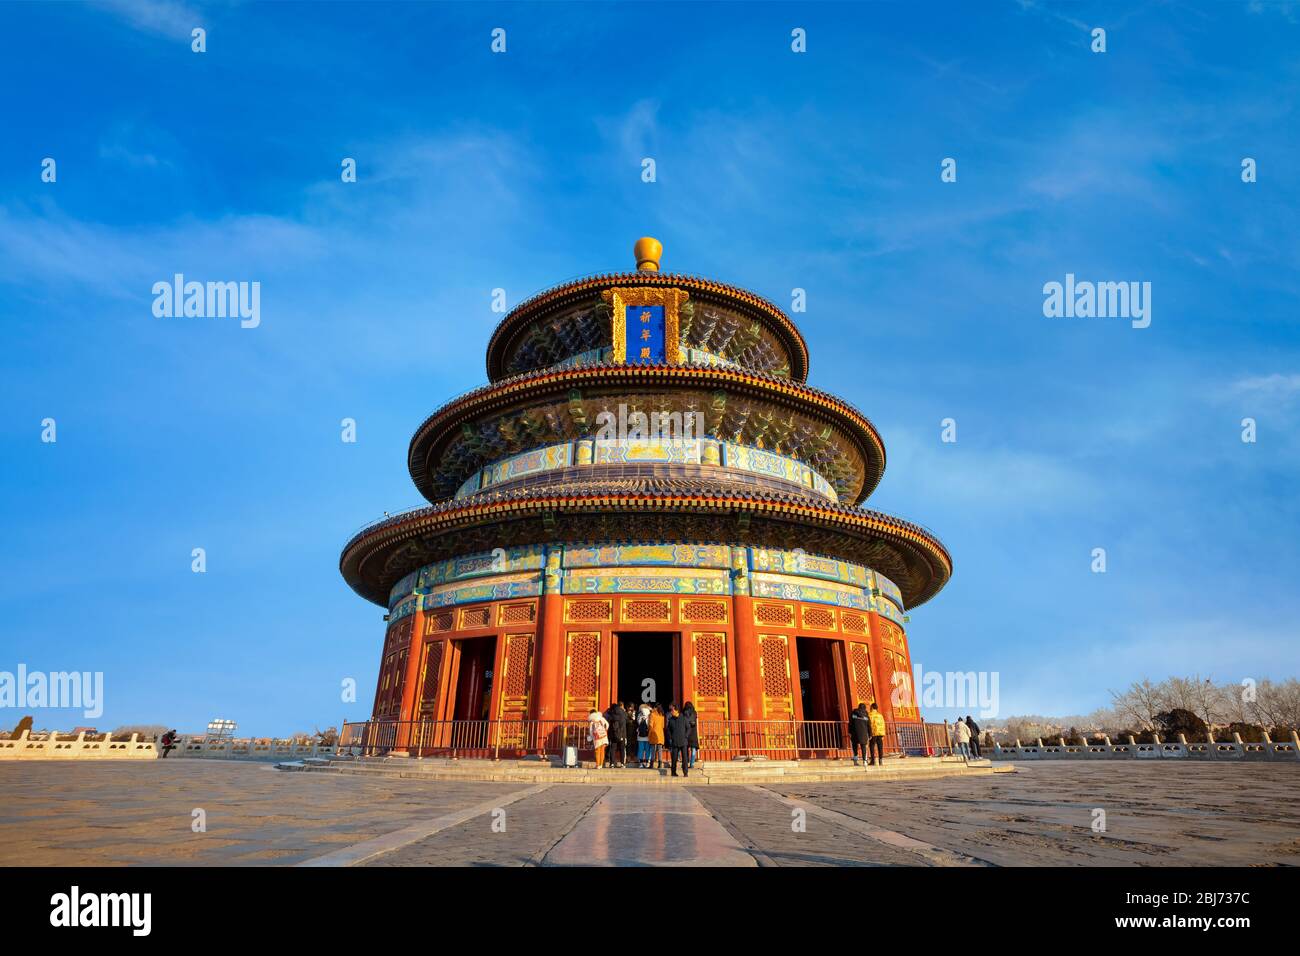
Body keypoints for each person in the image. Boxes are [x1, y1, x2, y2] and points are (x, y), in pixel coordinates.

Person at [664, 704, 690, 777]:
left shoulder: (683, 718)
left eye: (672, 710)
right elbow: (668, 730)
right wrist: (671, 736)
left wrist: (686, 736)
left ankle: (685, 772)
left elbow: (688, 728)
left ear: (676, 710)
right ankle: (673, 772)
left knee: (684, 758)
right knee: (674, 758)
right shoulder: (671, 719)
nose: (671, 712)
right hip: (675, 741)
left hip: (683, 741)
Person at [605, 702, 627, 767]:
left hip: (614, 734)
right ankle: (622, 763)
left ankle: (612, 763)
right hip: (622, 734)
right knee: (622, 749)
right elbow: (627, 721)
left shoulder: (611, 714)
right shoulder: (624, 713)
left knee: (613, 748)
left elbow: (608, 722)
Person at [682, 701, 700, 770]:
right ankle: (692, 763)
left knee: (685, 748)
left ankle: (686, 762)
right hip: (693, 732)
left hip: (686, 731)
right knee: (693, 749)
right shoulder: (694, 713)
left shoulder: (684, 712)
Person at [648, 704, 665, 769]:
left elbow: (650, 725)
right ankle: (660, 764)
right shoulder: (662, 716)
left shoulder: (652, 715)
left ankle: (652, 764)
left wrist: (649, 733)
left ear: (655, 708)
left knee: (653, 749)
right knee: (660, 749)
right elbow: (663, 726)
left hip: (654, 733)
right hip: (660, 734)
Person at [635, 703, 651, 767]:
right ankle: (647, 763)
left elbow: (638, 723)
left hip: (640, 736)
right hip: (648, 735)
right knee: (647, 749)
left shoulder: (639, 715)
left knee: (640, 749)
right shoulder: (649, 715)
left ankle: (641, 763)